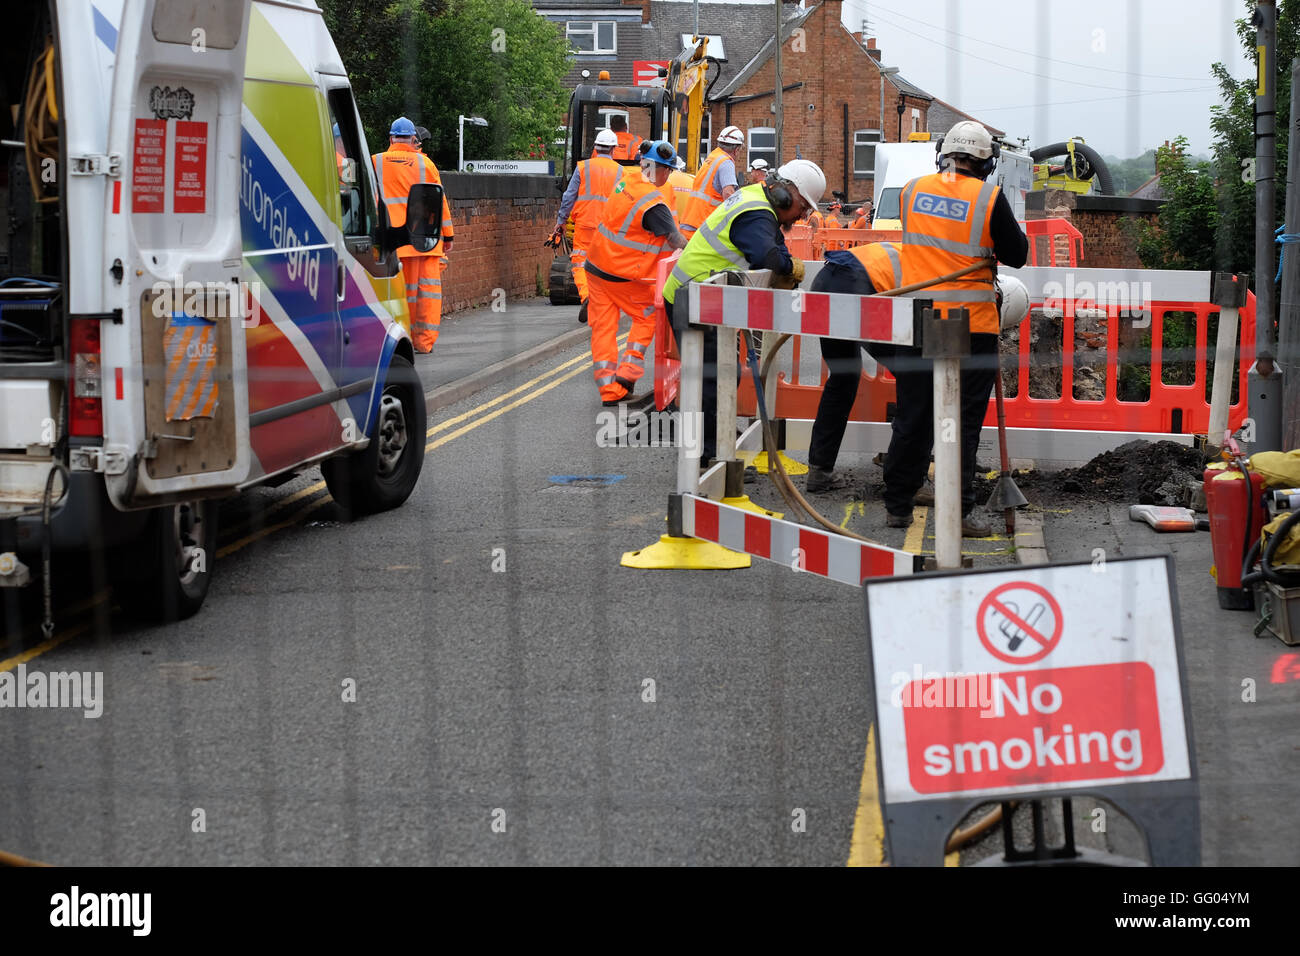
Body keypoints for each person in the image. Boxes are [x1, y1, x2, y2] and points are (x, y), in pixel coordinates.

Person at [805, 121, 1027, 538]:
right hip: (970, 323)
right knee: (961, 422)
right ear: (986, 161)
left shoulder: (911, 191)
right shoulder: (988, 197)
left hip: (920, 317)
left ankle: (898, 506)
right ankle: (959, 511)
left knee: (915, 414)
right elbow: (1017, 255)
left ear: (943, 153)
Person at [661, 159, 826, 463]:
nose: (801, 216)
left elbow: (777, 248)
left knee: (723, 374)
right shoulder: (756, 213)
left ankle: (716, 438)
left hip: (709, 299)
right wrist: (790, 268)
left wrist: (787, 264)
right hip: (694, 298)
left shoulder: (759, 204)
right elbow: (767, 255)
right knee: (715, 378)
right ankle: (708, 456)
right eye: (802, 208)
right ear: (786, 194)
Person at [583, 141, 687, 405]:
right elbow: (675, 240)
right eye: (669, 171)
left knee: (603, 329)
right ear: (662, 170)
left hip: (595, 267)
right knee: (649, 315)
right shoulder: (654, 203)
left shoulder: (626, 181)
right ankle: (627, 375)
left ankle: (610, 391)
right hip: (622, 275)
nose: (669, 176)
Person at [372, 116, 454, 353]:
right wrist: (447, 236)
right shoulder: (425, 165)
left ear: (390, 138)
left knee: (394, 294)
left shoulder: (374, 162)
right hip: (423, 240)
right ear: (413, 140)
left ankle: (396, 342)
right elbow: (440, 202)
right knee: (427, 293)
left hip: (388, 242)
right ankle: (423, 342)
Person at [552, 128, 622, 323]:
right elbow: (624, 199)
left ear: (595, 148)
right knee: (605, 265)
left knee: (580, 264)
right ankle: (602, 303)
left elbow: (568, 197)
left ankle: (587, 296)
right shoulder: (620, 172)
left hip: (584, 224)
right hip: (609, 228)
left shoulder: (583, 168)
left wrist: (560, 221)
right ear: (613, 150)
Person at [677, 124, 745, 238]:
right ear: (736, 149)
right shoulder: (726, 162)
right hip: (704, 226)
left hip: (691, 222)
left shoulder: (712, 157)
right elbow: (729, 194)